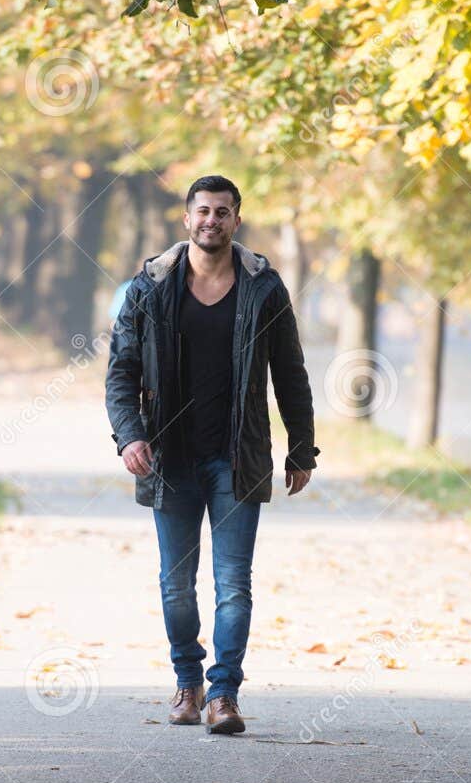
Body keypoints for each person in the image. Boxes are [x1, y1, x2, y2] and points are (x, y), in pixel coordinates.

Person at [104, 175, 319, 735]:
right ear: (186, 218)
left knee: (234, 583)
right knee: (176, 585)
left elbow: (290, 374)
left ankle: (224, 695)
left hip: (236, 457)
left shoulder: (263, 288)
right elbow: (120, 372)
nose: (212, 221)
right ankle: (187, 683)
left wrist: (301, 447)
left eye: (223, 212)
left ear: (236, 220)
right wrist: (129, 436)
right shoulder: (149, 287)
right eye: (203, 211)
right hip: (168, 457)